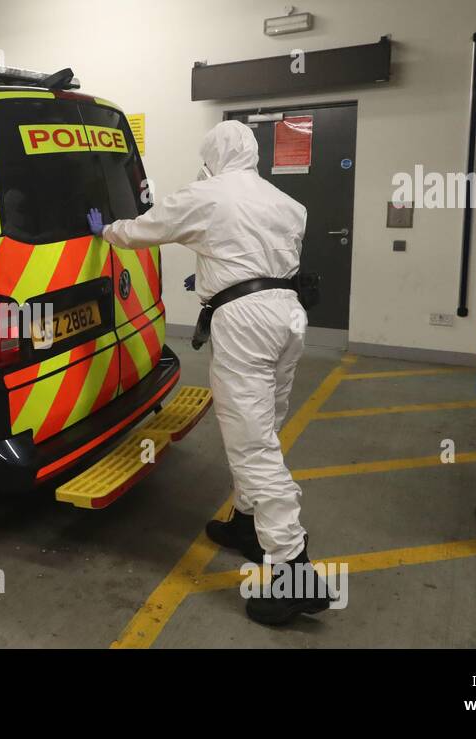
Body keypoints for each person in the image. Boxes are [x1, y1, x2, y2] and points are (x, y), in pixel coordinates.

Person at [88, 120, 329, 625]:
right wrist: (218, 268)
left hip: (245, 322)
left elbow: (144, 230)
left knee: (253, 442)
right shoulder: (288, 202)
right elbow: (258, 256)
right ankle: (246, 522)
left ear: (213, 156)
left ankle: (294, 572)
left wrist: (104, 231)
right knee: (263, 428)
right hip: (287, 314)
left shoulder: (207, 193)